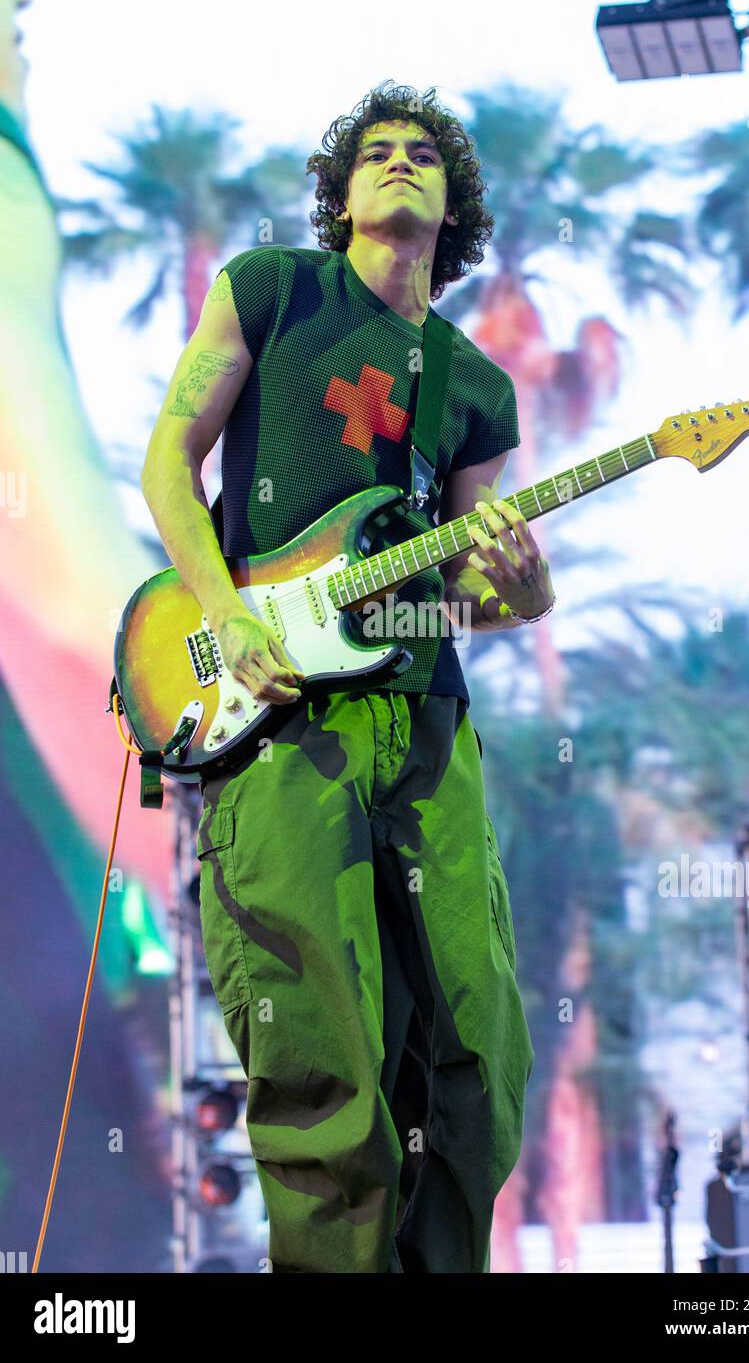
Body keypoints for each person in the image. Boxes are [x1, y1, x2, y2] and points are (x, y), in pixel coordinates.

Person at [141, 80, 554, 1273]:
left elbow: (468, 593)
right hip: (279, 726)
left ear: (452, 201)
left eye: (421, 153)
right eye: (372, 153)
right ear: (338, 196)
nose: (398, 163)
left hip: (425, 721)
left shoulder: (471, 383)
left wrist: (520, 588)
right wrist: (228, 613)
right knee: (323, 1061)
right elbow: (169, 457)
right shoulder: (273, 291)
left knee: (478, 1051)